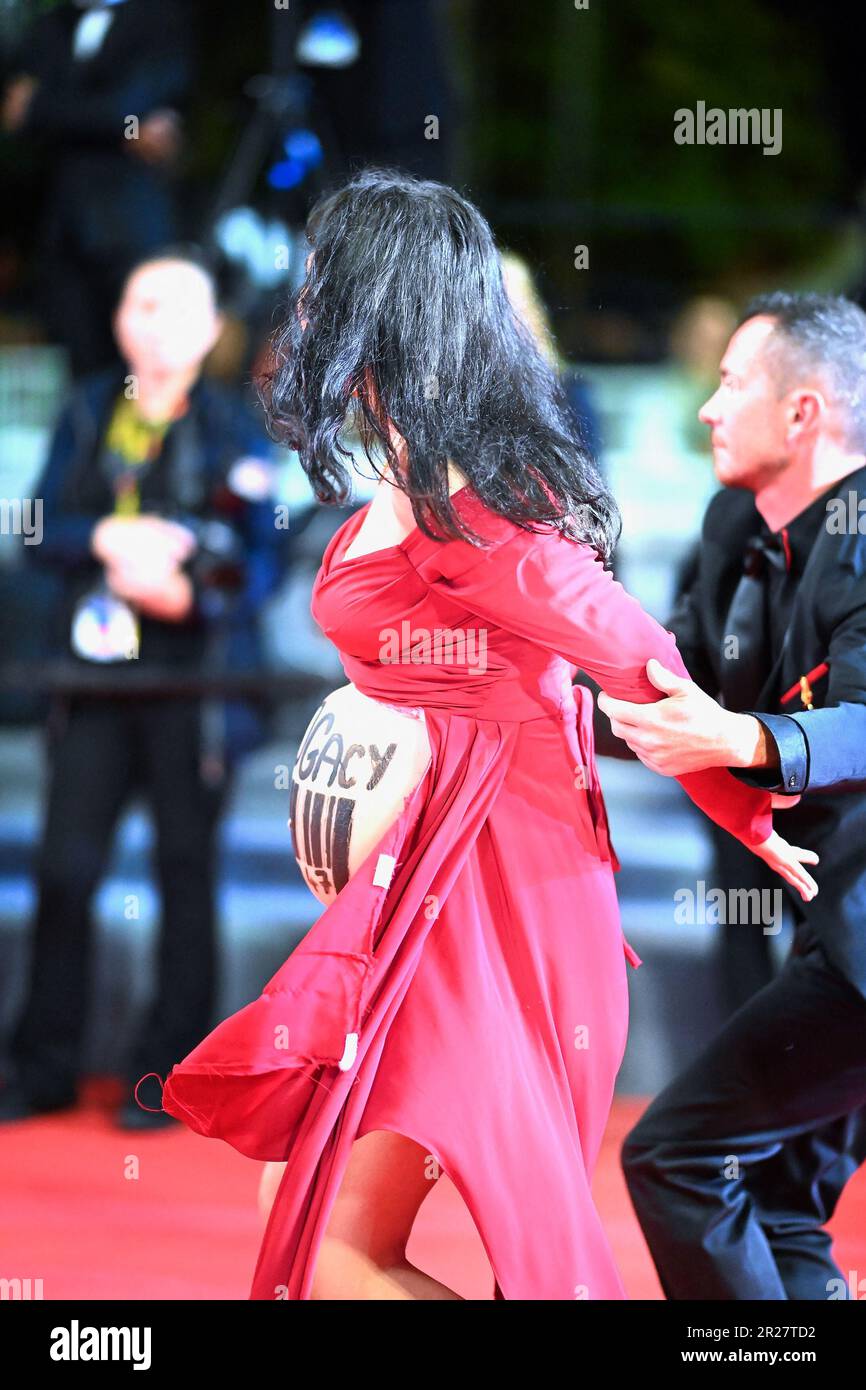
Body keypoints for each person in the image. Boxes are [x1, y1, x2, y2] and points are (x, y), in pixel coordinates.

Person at [152, 169, 815, 1301]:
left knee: (321, 1241)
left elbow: (634, 656)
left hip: (492, 901)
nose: (301, 305)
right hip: (424, 893)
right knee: (309, 1222)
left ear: (381, 298)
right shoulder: (417, 467)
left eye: (324, 281)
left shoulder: (479, 506)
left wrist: (747, 786)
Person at [601, 292, 866, 1299]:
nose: (706, 407)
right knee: (778, 1198)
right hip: (828, 932)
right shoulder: (732, 522)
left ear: (801, 414)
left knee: (673, 1157)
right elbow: (664, 686)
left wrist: (746, 736)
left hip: (851, 948)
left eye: (731, 382)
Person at [0, 249, 284, 1130]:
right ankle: (41, 1065)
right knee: (65, 868)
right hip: (92, 680)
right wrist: (110, 544)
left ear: (206, 331)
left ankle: (168, 1073)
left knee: (185, 870)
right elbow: (39, 530)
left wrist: (191, 588)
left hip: (193, 685)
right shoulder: (91, 412)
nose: (146, 320)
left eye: (166, 306)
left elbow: (265, 562)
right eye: (136, 302)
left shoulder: (235, 429)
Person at [2, 0, 193, 375]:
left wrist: (43, 108)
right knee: (77, 366)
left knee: (140, 364)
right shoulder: (51, 26)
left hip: (128, 226)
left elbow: (126, 107)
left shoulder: (161, 19)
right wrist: (119, 120)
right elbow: (15, 114)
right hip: (61, 225)